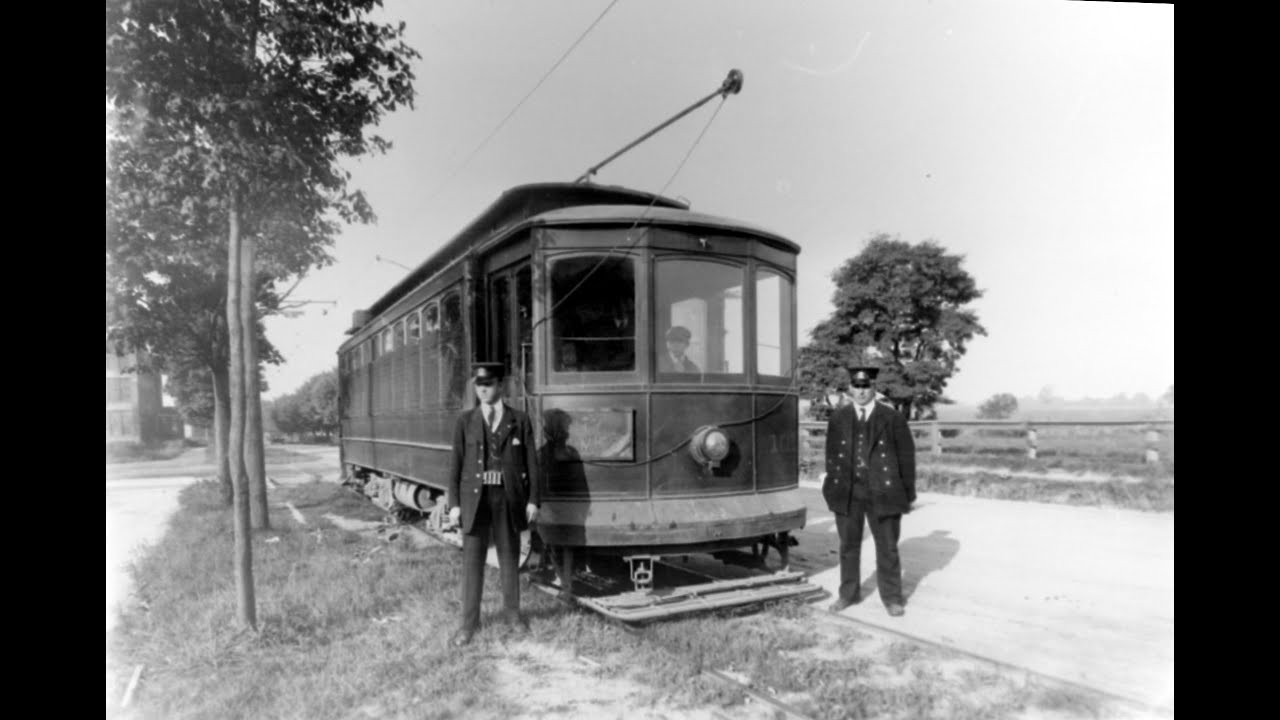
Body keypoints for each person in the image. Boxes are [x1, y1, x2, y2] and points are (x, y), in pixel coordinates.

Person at [446, 362, 542, 646]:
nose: (483, 390)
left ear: (500, 386)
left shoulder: (520, 420)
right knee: (472, 562)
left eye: (488, 385)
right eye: (479, 385)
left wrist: (534, 499)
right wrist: (454, 504)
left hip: (507, 499)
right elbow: (455, 465)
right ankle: (468, 625)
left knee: (509, 560)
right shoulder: (465, 421)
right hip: (474, 500)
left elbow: (532, 464)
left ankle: (513, 617)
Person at [821, 366, 916, 617]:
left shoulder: (892, 417)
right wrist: (831, 488)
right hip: (848, 491)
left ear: (874, 388)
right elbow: (831, 457)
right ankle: (848, 594)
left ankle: (892, 598)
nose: (861, 392)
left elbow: (907, 458)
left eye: (866, 386)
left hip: (883, 491)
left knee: (887, 546)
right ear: (850, 388)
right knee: (848, 546)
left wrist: (907, 495)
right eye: (856, 386)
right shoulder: (839, 417)